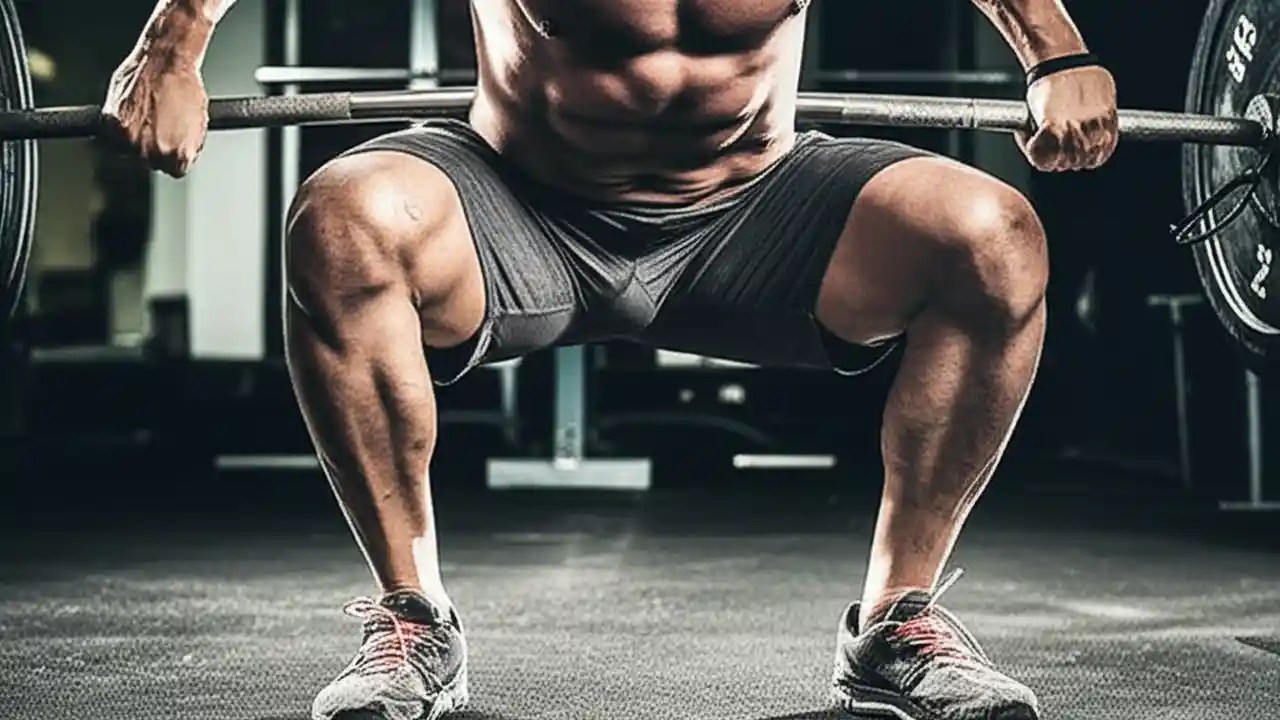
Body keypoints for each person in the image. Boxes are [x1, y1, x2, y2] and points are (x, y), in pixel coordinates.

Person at [105, 1, 1119, 718]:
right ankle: (412, 618)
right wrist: (173, 40)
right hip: (515, 202)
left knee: (992, 237)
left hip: (754, 213)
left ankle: (893, 626)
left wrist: (1052, 52)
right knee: (341, 215)